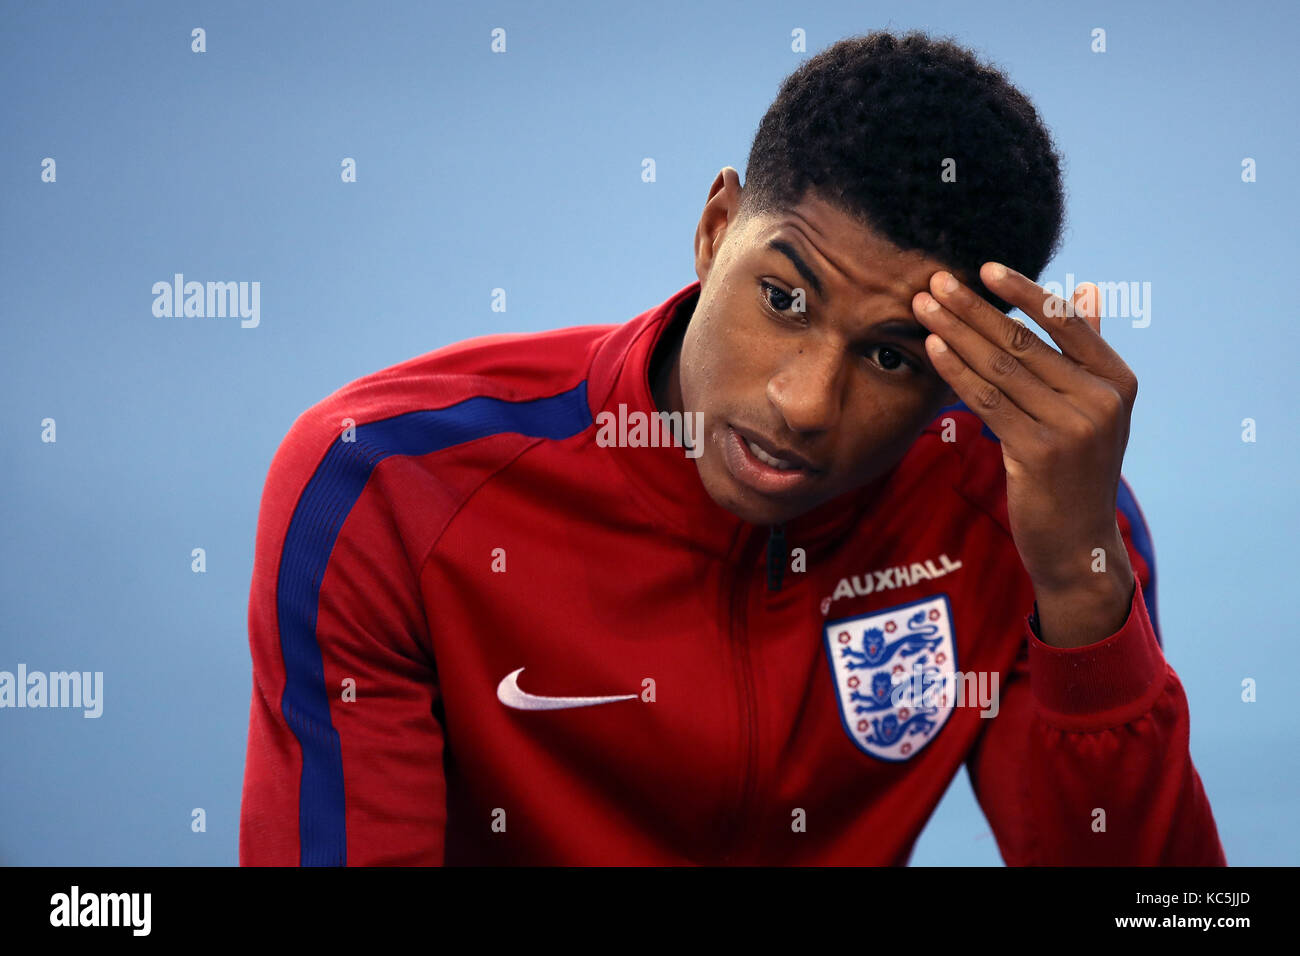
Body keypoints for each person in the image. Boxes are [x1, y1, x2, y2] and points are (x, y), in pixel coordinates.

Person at [239, 30, 1226, 865]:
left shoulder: (1031, 516)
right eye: (783, 298)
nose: (803, 404)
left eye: (888, 356)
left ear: (960, 372)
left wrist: (1084, 586)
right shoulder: (384, 483)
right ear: (716, 228)